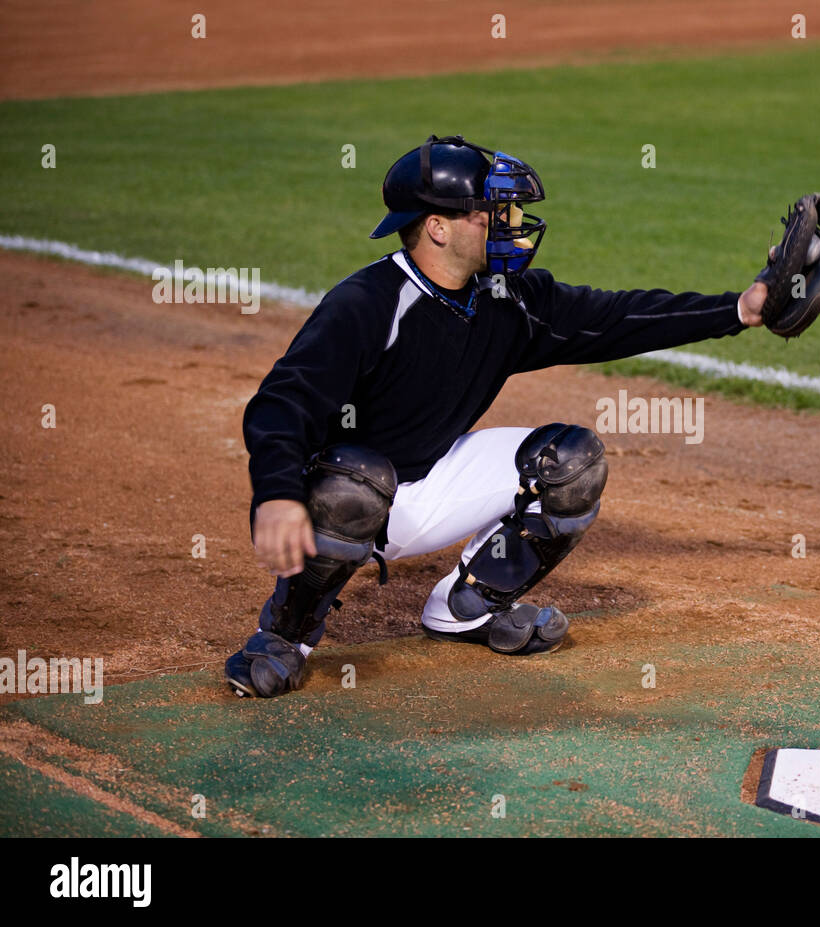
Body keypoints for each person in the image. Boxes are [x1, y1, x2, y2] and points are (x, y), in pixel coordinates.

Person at [224, 133, 771, 698]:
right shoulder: (367, 304)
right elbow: (282, 403)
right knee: (355, 485)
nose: (510, 222)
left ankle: (468, 607)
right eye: (492, 211)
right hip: (347, 503)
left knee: (571, 463)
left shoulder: (505, 299)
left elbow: (615, 316)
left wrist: (738, 309)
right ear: (438, 227)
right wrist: (276, 493)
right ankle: (287, 634)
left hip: (430, 483)